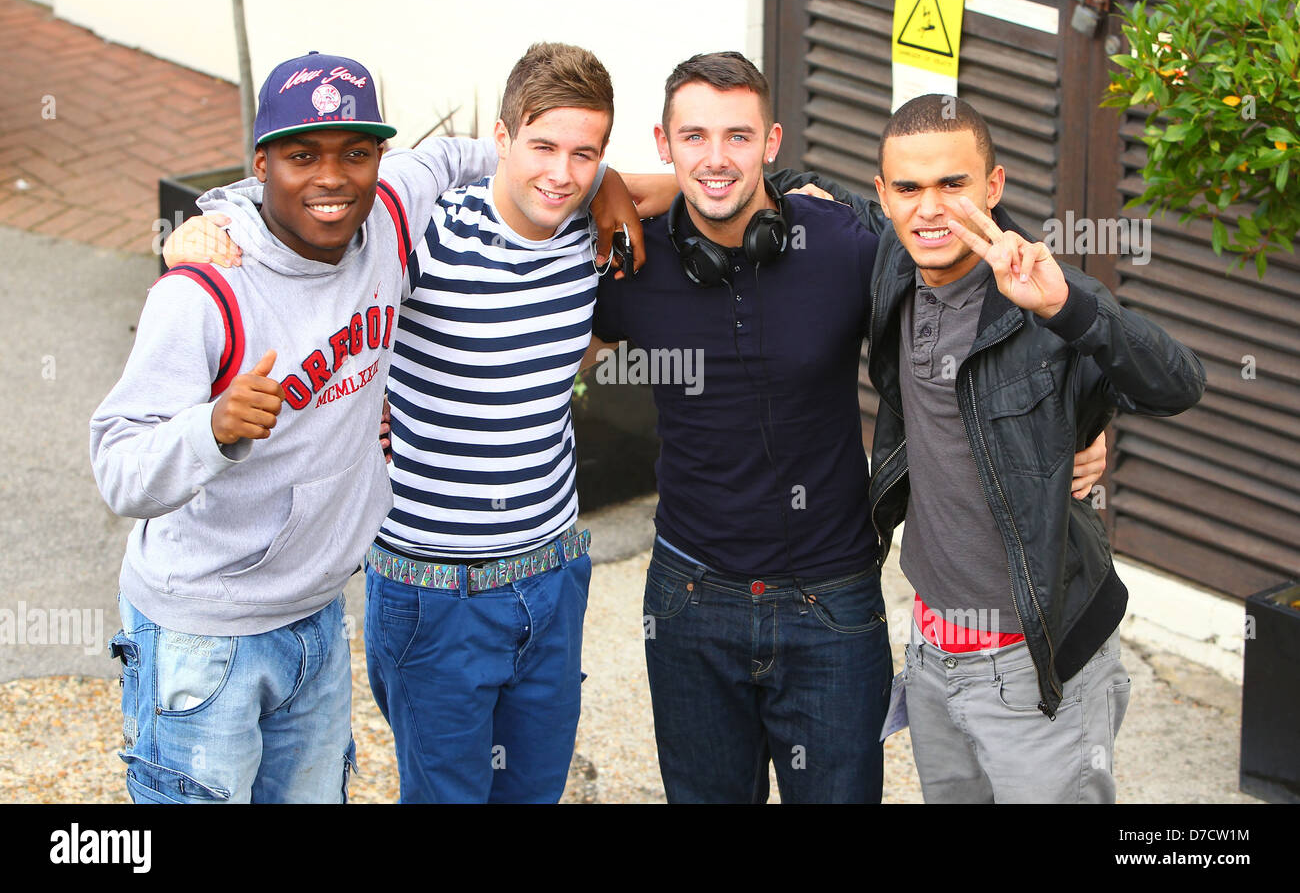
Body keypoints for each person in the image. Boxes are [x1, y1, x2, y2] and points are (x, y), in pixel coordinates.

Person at [597, 54, 1108, 803]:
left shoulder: (843, 245)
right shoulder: (628, 260)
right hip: (688, 603)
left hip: (832, 603)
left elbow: (982, 248)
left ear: (772, 143)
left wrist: (1080, 419)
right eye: (694, 137)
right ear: (662, 142)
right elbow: (526, 296)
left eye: (737, 136)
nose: (715, 157)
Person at [164, 42, 639, 803]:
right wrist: (204, 226)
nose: (562, 172)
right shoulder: (426, 233)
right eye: (543, 146)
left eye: (587, 154)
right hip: (435, 587)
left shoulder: (588, 222)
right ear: (502, 138)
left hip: (553, 575)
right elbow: (311, 213)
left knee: (534, 793)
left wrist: (617, 182)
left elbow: (704, 184)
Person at [769, 94, 1206, 802]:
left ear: (994, 187)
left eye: (954, 184)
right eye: (908, 188)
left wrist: (1069, 310)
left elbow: (1178, 382)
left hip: (1036, 659)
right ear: (884, 196)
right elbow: (779, 184)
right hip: (935, 648)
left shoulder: (1041, 296)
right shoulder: (893, 263)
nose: (930, 208)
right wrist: (615, 193)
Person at [91, 51, 500, 803]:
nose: (332, 177)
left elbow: (455, 156)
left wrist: (597, 184)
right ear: (261, 165)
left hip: (315, 613)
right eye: (301, 154)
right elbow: (117, 467)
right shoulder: (207, 288)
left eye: (357, 153)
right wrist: (210, 428)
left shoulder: (389, 215)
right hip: (205, 633)